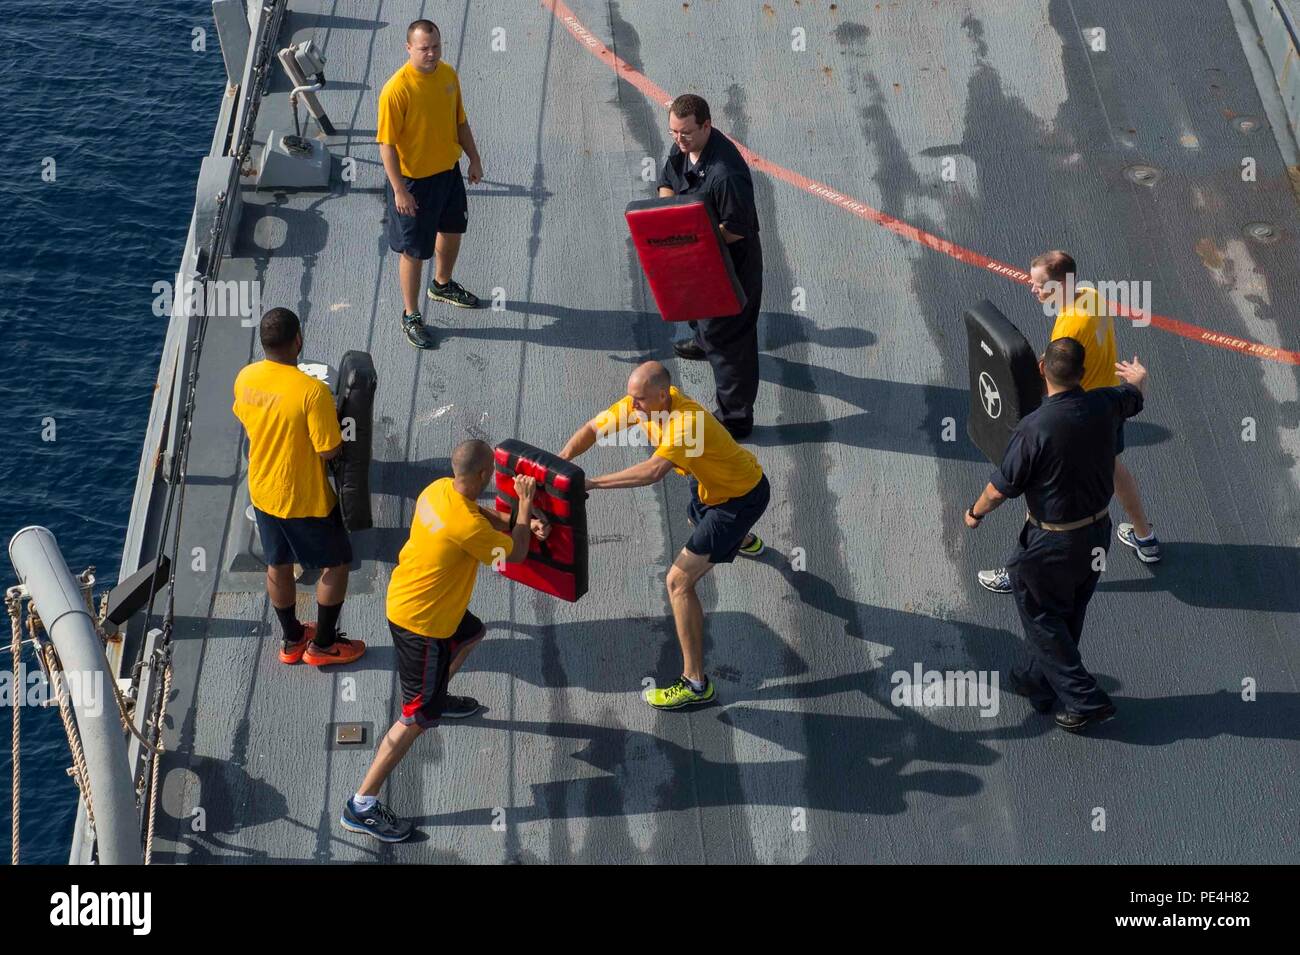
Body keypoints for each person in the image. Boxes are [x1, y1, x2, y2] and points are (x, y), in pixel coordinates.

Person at [341, 440, 550, 841]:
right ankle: (361, 805)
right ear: (486, 474)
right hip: (423, 625)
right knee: (416, 717)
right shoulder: (467, 527)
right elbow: (518, 554)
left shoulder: (437, 490)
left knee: (473, 633)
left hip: (417, 602)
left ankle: (439, 692)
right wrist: (524, 508)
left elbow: (477, 515)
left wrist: (509, 518)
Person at [558, 361, 769, 709]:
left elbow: (653, 471)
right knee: (693, 520)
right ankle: (743, 540)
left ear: (662, 394)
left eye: (638, 399)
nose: (632, 404)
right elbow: (594, 429)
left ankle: (696, 684)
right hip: (711, 486)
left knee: (678, 583)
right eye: (630, 397)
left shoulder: (687, 423)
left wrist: (591, 483)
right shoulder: (643, 403)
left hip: (738, 502)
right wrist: (563, 461)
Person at [964, 338, 1148, 733]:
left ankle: (1086, 699)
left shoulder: (1034, 428)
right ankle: (1036, 679)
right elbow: (1133, 397)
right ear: (1082, 374)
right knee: (1068, 612)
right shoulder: (1104, 404)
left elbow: (1001, 488)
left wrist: (974, 513)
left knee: (1041, 615)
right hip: (1097, 533)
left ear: (1043, 366)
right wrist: (1137, 380)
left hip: (1050, 542)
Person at [978, 250, 1160, 594]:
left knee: (1039, 497)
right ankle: (1144, 537)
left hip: (1077, 419)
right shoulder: (1091, 296)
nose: (1033, 290)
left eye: (1040, 285)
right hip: (1107, 405)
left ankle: (1016, 572)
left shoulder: (1069, 324)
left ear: (1063, 284)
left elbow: (1056, 371)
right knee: (1114, 469)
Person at [232, 308, 364, 667]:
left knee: (277, 563)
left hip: (262, 491)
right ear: (298, 340)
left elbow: (246, 417)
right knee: (336, 565)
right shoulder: (311, 392)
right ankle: (323, 645)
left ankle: (292, 639)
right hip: (304, 498)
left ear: (264, 344)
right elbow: (329, 449)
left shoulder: (245, 377)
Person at [656, 93, 763, 440]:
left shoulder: (726, 174)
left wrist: (690, 241)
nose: (678, 140)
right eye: (673, 132)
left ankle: (735, 418)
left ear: (706, 125)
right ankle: (704, 340)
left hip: (729, 266)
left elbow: (734, 229)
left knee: (731, 344)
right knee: (697, 313)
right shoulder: (684, 146)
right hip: (694, 256)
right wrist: (670, 221)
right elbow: (668, 181)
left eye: (685, 133)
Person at [377, 18, 485, 350]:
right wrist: (399, 190)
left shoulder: (448, 75)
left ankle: (441, 285)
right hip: (414, 183)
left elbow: (460, 121)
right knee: (414, 250)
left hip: (448, 174)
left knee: (452, 232)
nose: (432, 53)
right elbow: (387, 145)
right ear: (409, 48)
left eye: (436, 46)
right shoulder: (396, 90)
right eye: (424, 48)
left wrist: (474, 159)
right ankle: (411, 314)